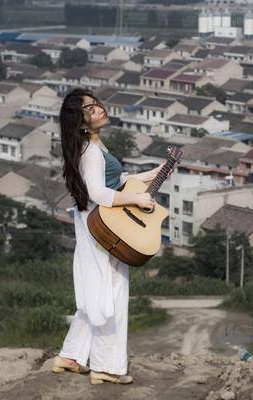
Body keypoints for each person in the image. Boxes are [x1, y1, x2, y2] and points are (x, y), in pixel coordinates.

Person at [51, 88, 167, 385]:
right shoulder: (90, 153)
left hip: (97, 226)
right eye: (89, 110)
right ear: (80, 123)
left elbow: (117, 180)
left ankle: (71, 356)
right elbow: (98, 192)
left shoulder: (93, 146)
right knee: (110, 295)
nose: (98, 109)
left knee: (96, 294)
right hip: (103, 229)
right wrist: (136, 201)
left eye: (96, 104)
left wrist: (154, 173)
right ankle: (105, 367)